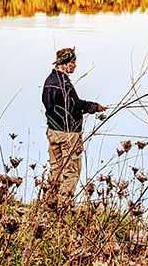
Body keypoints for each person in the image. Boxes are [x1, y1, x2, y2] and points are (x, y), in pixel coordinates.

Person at [42, 47, 104, 205]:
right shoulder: (64, 84)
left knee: (55, 168)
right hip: (69, 134)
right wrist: (93, 107)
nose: (75, 66)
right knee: (72, 170)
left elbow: (53, 106)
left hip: (53, 131)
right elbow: (75, 106)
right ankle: (64, 205)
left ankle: (50, 203)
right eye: (73, 62)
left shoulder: (49, 81)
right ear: (66, 63)